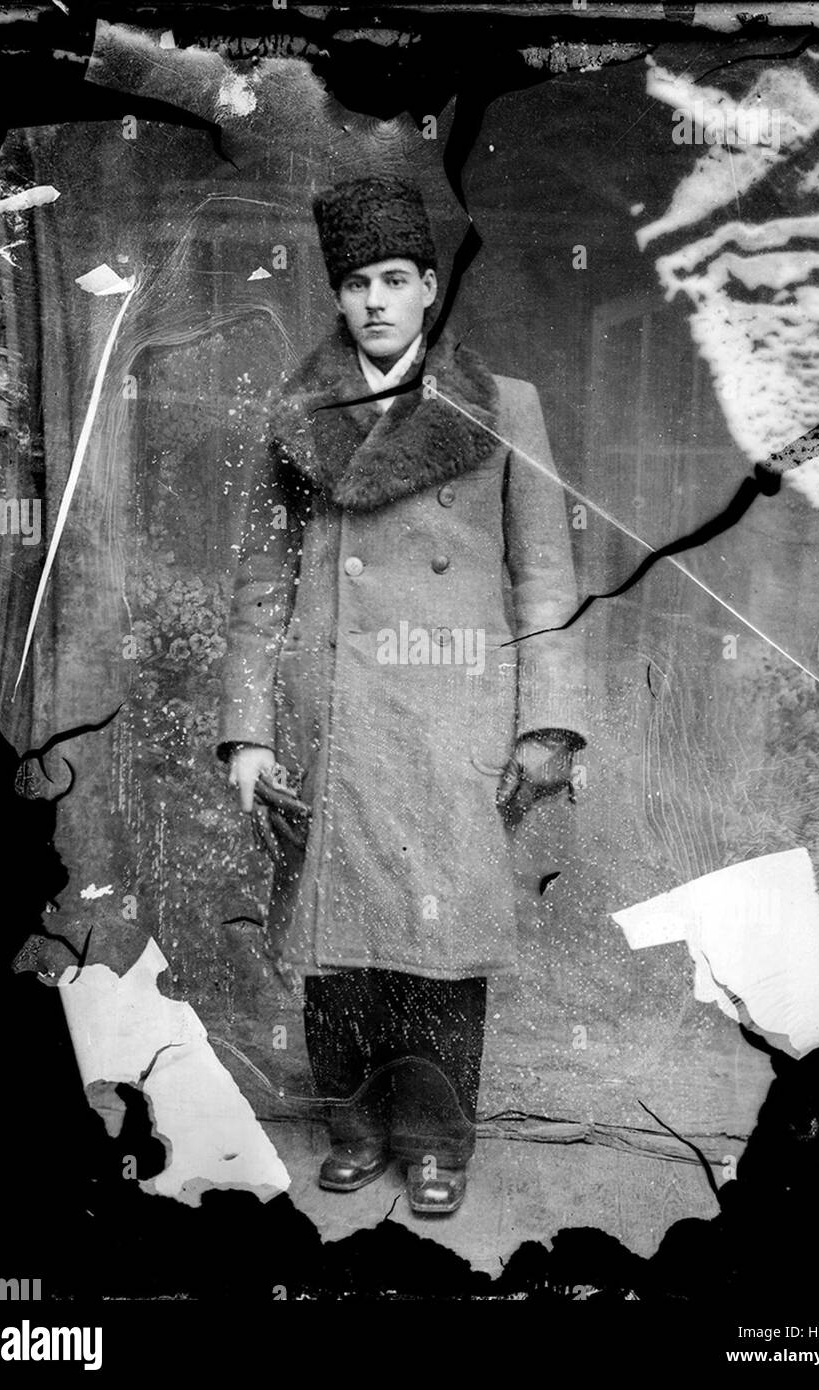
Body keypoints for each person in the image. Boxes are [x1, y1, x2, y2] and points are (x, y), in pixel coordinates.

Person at [218, 175, 590, 1215]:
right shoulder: (300, 413)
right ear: (337, 299)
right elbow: (260, 581)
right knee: (335, 945)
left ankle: (436, 1140)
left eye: (394, 279)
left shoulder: (504, 406)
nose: (374, 300)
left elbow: (546, 580)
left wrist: (546, 723)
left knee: (440, 942)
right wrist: (248, 730)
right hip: (332, 716)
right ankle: (352, 1121)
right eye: (355, 284)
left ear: (429, 288)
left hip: (454, 715)